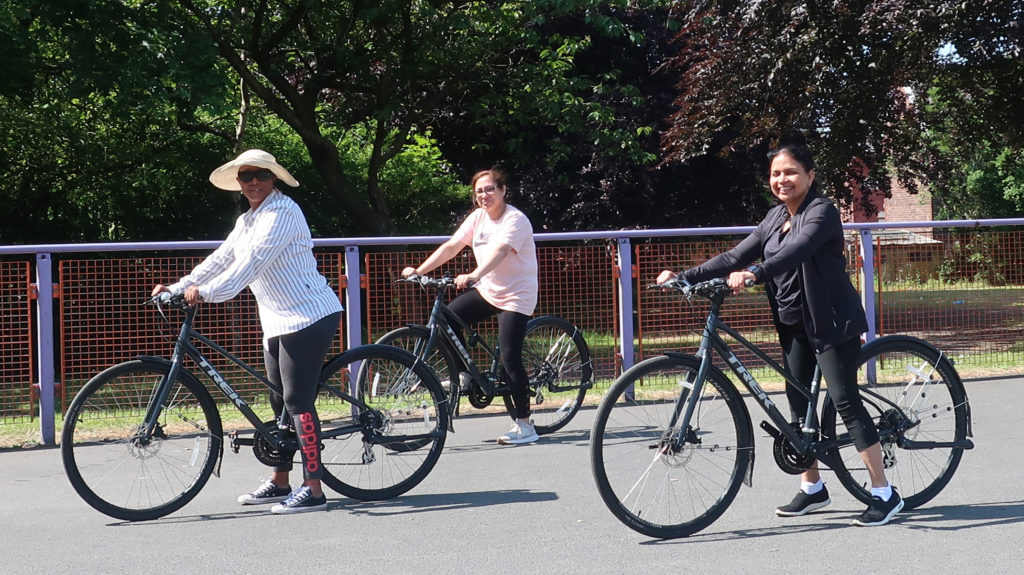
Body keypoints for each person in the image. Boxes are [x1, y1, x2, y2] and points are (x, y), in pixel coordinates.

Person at [657, 143, 904, 527]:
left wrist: (756, 273)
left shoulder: (822, 212)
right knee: (797, 406)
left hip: (830, 324)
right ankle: (813, 488)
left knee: (844, 402)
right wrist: (684, 276)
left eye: (790, 172)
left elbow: (798, 251)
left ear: (809, 176)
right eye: (775, 174)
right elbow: (734, 256)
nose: (781, 180)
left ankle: (883, 493)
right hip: (793, 323)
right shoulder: (774, 217)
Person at [151, 149, 342, 514]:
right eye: (246, 176)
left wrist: (208, 293)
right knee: (277, 402)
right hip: (276, 318)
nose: (254, 182)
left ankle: (314, 488)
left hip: (308, 314)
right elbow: (223, 257)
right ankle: (280, 480)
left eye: (261, 176)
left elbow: (252, 262)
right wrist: (179, 286)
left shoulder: (283, 213)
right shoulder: (249, 219)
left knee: (297, 401)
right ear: (239, 183)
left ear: (274, 179)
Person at [401, 168, 539, 445]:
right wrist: (420, 270)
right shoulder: (477, 218)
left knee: (509, 357)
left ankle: (525, 425)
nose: (484, 195)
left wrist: (475, 274)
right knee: (449, 317)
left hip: (516, 294)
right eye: (479, 191)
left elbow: (501, 251)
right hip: (488, 290)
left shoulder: (516, 220)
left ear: (503, 190)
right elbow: (452, 246)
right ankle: (465, 374)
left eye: (489, 189)